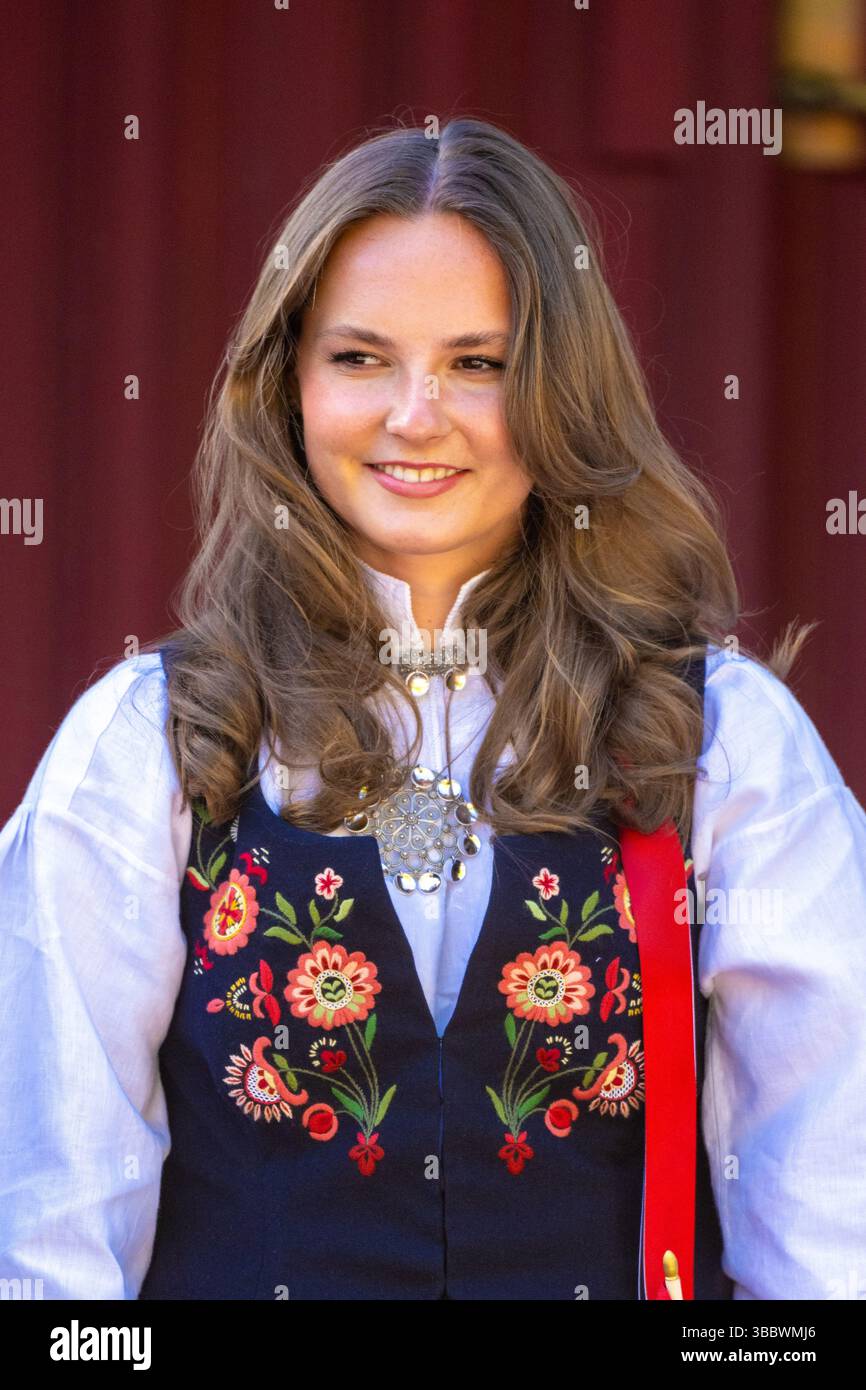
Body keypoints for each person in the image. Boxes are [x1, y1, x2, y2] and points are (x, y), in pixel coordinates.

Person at [2, 117, 865, 1302]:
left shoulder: (723, 745)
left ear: (563, 390)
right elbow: (46, 1246)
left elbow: (829, 1229)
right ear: (290, 382)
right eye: (360, 358)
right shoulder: (144, 749)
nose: (416, 414)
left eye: (479, 362)